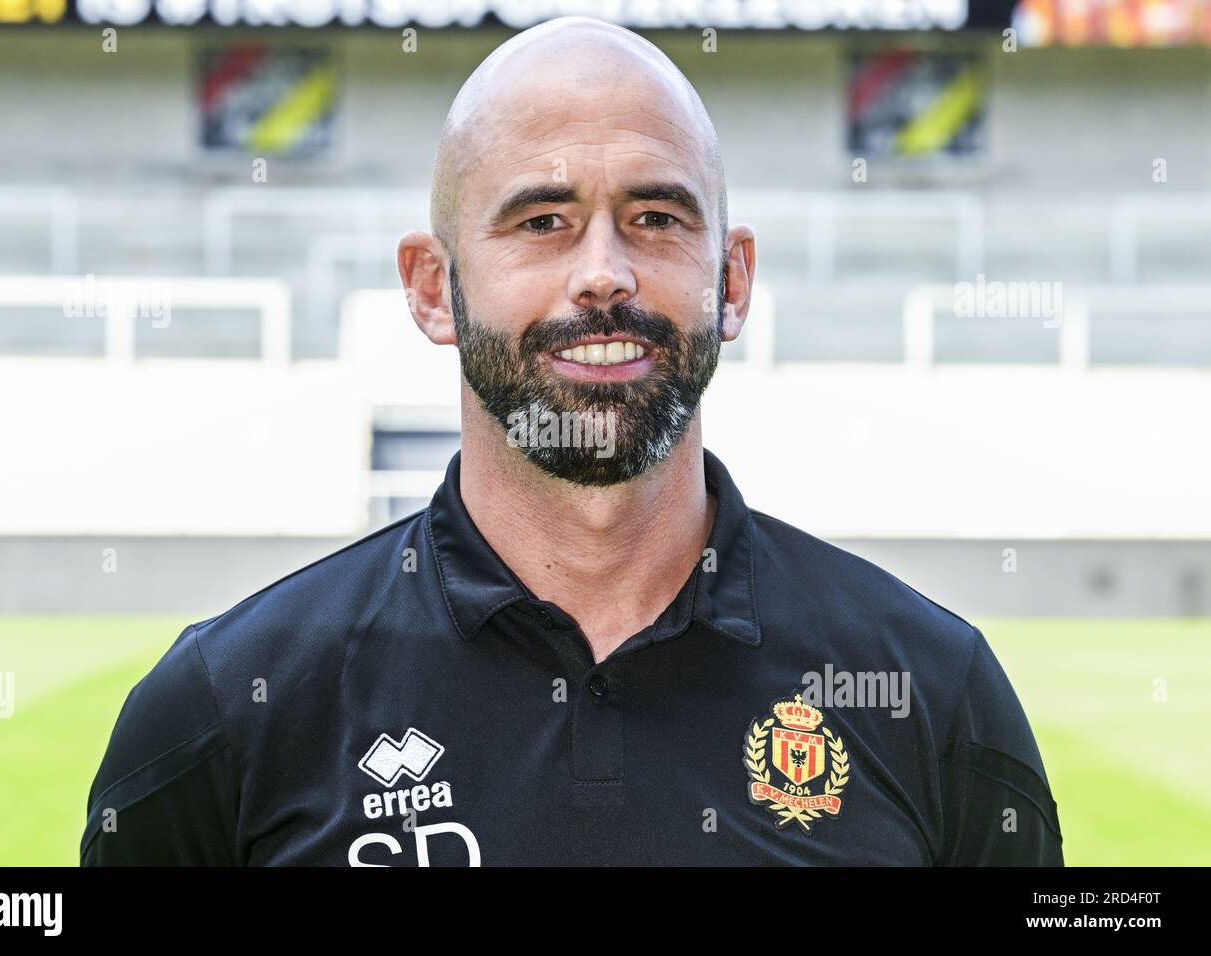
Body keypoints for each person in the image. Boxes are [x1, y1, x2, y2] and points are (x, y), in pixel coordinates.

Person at [82, 16, 1063, 866]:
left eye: (655, 217)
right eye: (542, 220)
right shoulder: (226, 711)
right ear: (432, 287)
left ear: (732, 281)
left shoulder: (934, 694)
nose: (604, 274)